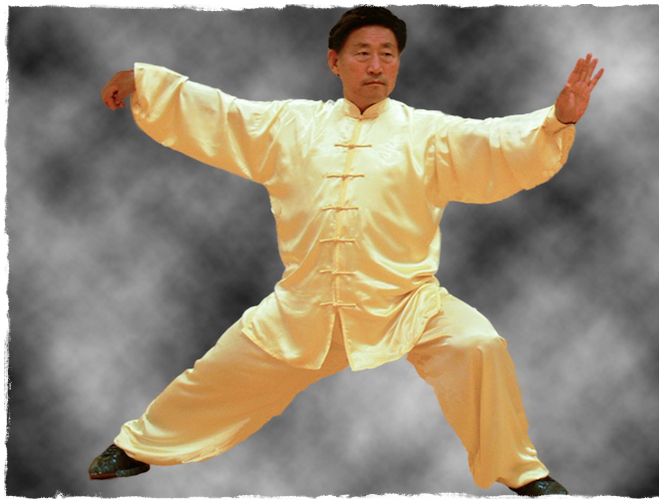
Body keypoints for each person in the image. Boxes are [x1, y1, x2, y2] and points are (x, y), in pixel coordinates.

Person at [90, 6, 603, 497]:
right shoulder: (291, 126)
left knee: (478, 345)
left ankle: (521, 472)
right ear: (335, 61)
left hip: (407, 302)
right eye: (363, 53)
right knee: (219, 372)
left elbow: (494, 142)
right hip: (304, 305)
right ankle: (137, 446)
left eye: (387, 54)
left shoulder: (428, 134)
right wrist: (146, 83)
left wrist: (557, 120)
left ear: (398, 62)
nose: (376, 65)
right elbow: (224, 116)